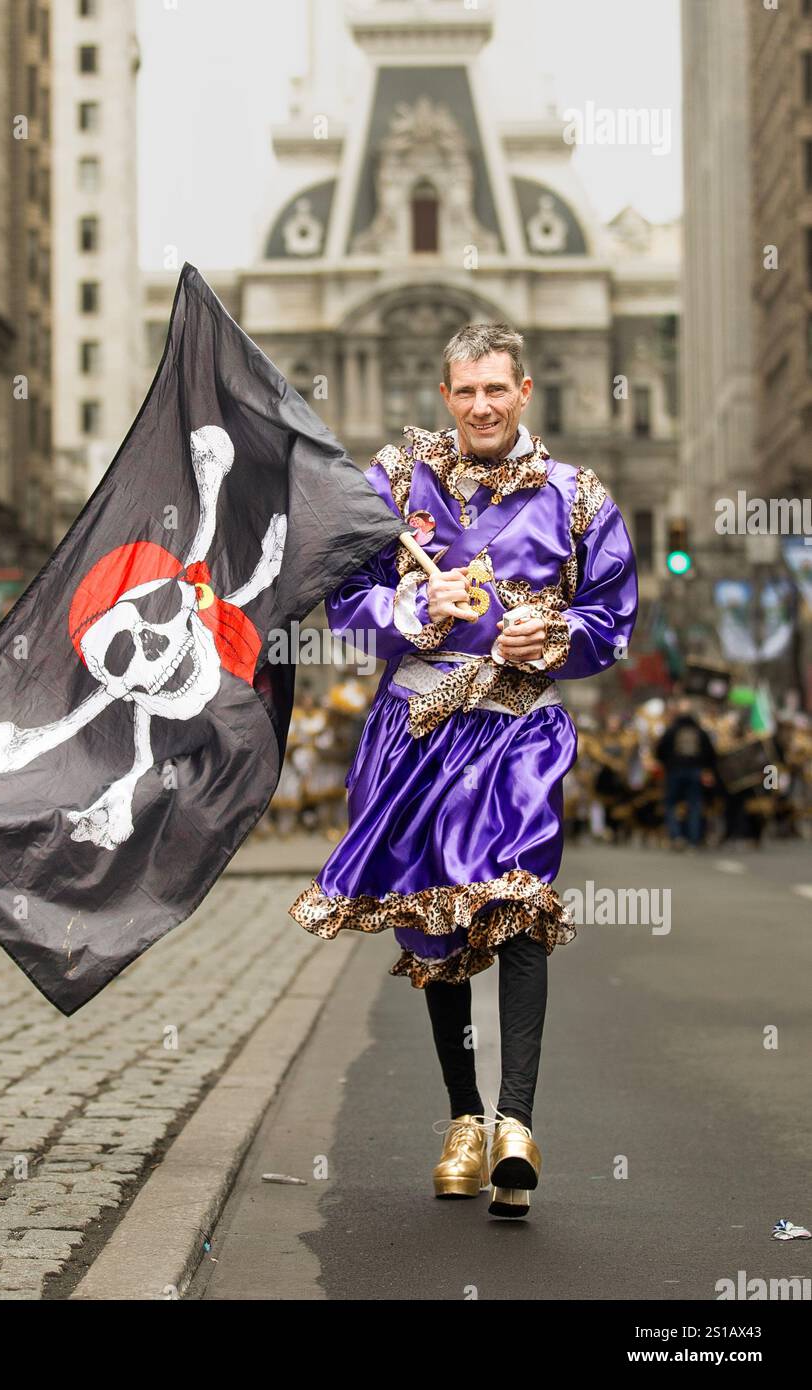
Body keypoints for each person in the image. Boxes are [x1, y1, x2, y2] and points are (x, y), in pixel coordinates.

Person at [288, 323, 638, 1218]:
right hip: (415, 730)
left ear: (524, 393)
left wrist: (553, 636)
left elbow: (611, 617)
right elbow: (344, 596)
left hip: (519, 726)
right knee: (434, 923)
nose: (481, 406)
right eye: (465, 392)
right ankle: (463, 1120)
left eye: (497, 390)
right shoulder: (396, 484)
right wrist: (414, 603)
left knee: (520, 900)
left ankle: (517, 1123)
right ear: (446, 398)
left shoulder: (579, 497)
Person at [654, 695, 718, 848]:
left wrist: (667, 764)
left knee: (670, 804)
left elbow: (660, 750)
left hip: (675, 771)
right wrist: (705, 768)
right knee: (695, 805)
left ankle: (676, 836)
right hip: (696, 771)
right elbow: (710, 753)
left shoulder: (671, 730)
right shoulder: (700, 731)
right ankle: (693, 840)